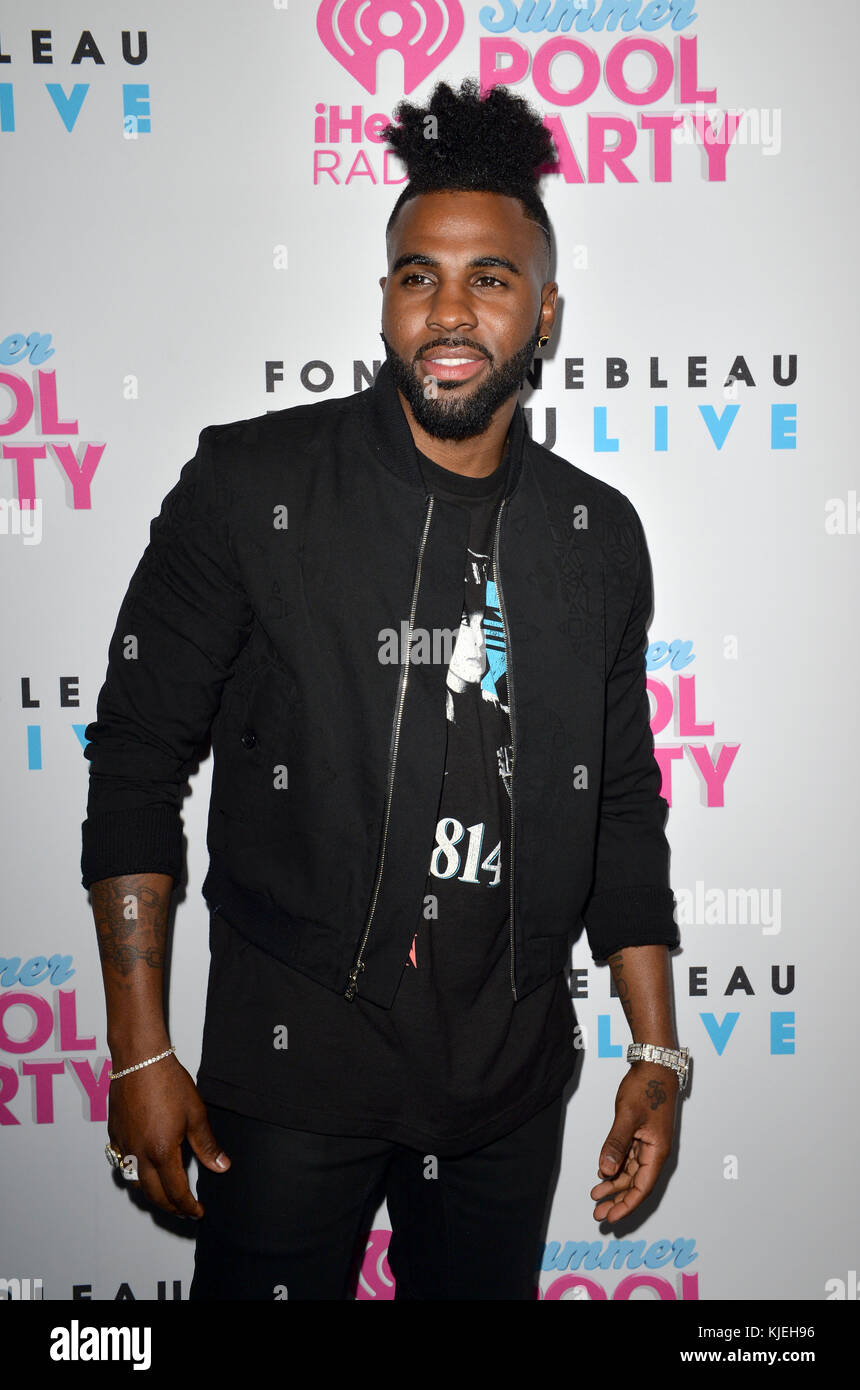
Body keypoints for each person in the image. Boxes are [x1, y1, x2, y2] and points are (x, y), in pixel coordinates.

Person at [81, 78, 687, 1302]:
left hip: (510, 1089)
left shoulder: (597, 535)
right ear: (383, 299)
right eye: (418, 276)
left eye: (490, 278)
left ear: (546, 309)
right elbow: (137, 761)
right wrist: (140, 1046)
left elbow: (621, 805)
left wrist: (657, 1049)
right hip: (295, 1071)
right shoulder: (252, 485)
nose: (449, 311)